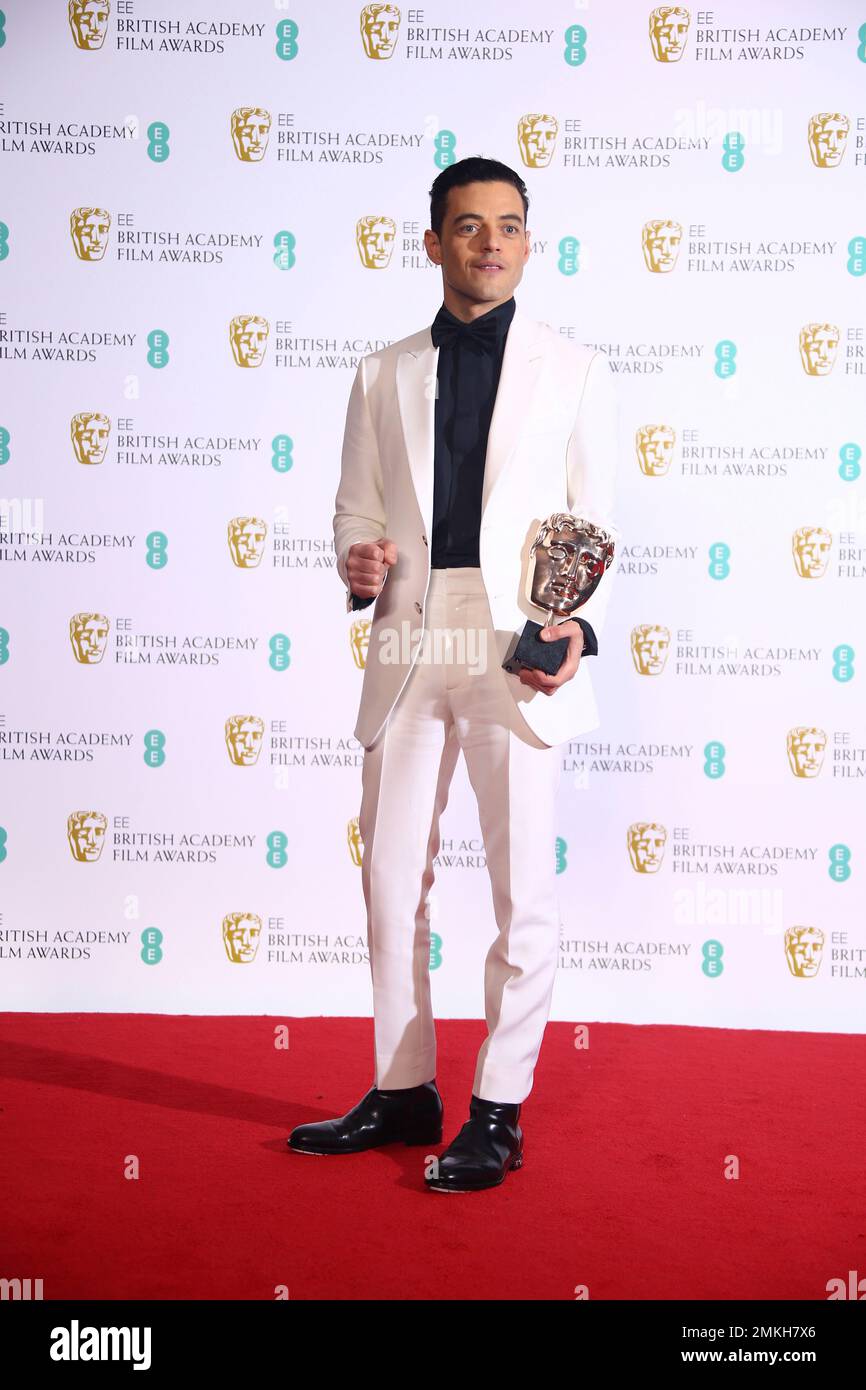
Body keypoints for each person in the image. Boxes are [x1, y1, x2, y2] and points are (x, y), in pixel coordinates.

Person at [288, 156, 619, 1192]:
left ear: (528, 241)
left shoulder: (574, 370)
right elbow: (354, 509)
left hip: (513, 632)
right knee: (391, 880)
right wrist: (357, 558)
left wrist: (571, 627)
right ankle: (402, 1090)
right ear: (431, 242)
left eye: (508, 226)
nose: (488, 242)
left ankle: (497, 1109)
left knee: (522, 888)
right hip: (404, 633)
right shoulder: (379, 371)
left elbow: (595, 524)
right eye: (467, 226)